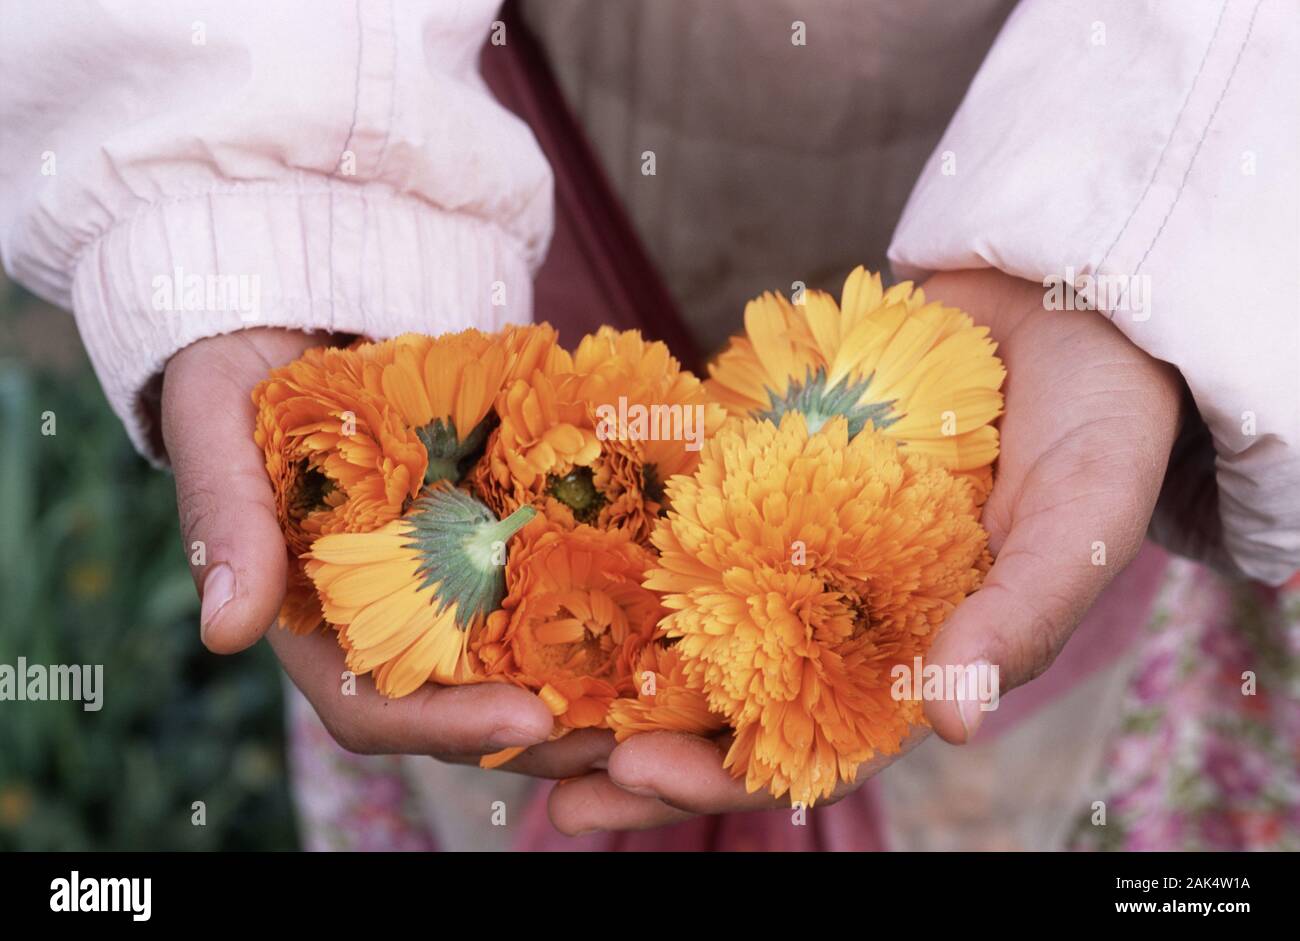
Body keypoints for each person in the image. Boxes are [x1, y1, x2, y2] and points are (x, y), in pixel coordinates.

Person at [2, 0, 1295, 850]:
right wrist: (262, 181)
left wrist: (1166, 211)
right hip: (473, 185)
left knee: (1024, 669)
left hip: (1109, 256)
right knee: (480, 715)